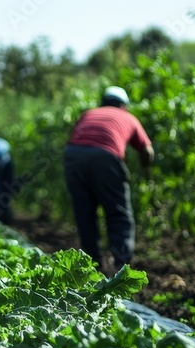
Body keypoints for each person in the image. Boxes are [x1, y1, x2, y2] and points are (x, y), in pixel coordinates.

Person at [64, 85, 154, 273]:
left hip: (73, 155)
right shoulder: (128, 117)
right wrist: (146, 169)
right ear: (124, 106)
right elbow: (147, 150)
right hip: (105, 156)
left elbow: (75, 137)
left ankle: (91, 265)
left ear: (103, 102)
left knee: (84, 212)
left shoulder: (89, 113)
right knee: (118, 213)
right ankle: (121, 267)